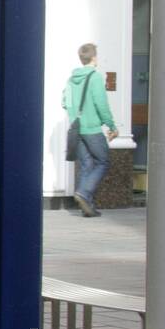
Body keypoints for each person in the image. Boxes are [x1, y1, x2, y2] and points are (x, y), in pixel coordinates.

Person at [62, 43, 118, 217]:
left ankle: (88, 207)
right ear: (94, 57)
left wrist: (75, 116)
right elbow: (101, 104)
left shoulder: (71, 79)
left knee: (86, 165)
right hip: (92, 128)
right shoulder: (95, 77)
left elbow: (65, 102)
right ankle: (84, 193)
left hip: (76, 128)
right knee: (103, 162)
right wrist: (111, 125)